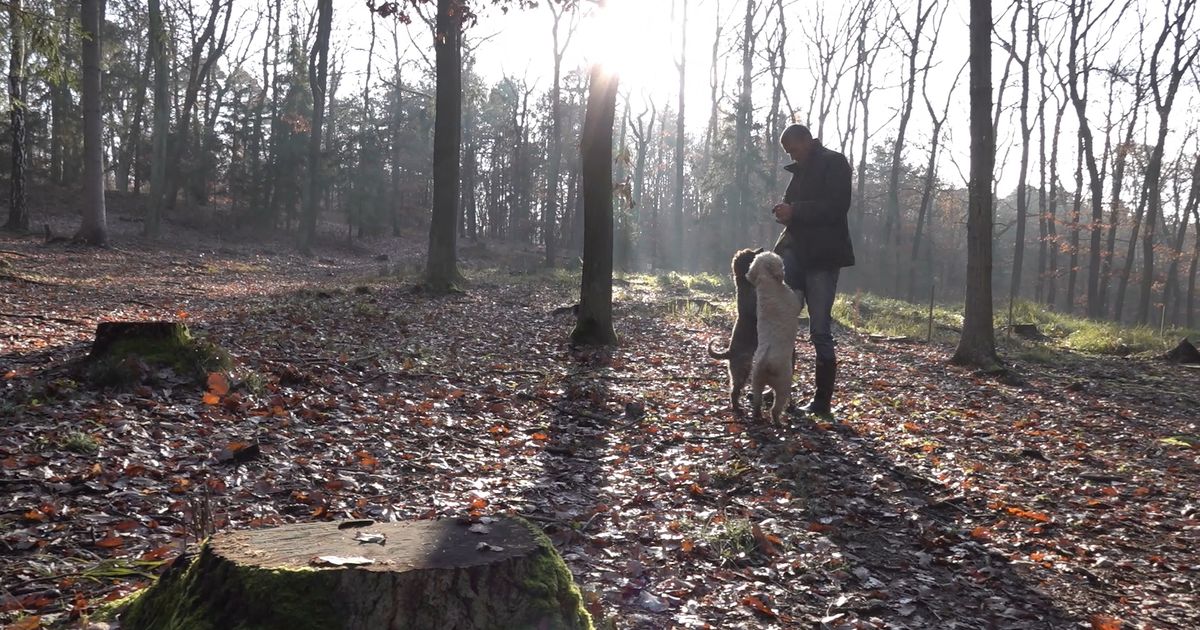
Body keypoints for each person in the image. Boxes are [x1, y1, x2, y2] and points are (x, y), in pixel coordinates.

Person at [771, 124, 854, 416]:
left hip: (824, 259)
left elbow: (837, 206)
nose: (791, 154)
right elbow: (796, 210)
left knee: (819, 329)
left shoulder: (835, 162)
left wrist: (796, 211)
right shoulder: (798, 171)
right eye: (788, 152)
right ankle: (782, 394)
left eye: (793, 148)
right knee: (784, 324)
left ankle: (821, 403)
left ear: (806, 141)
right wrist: (785, 213)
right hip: (795, 255)